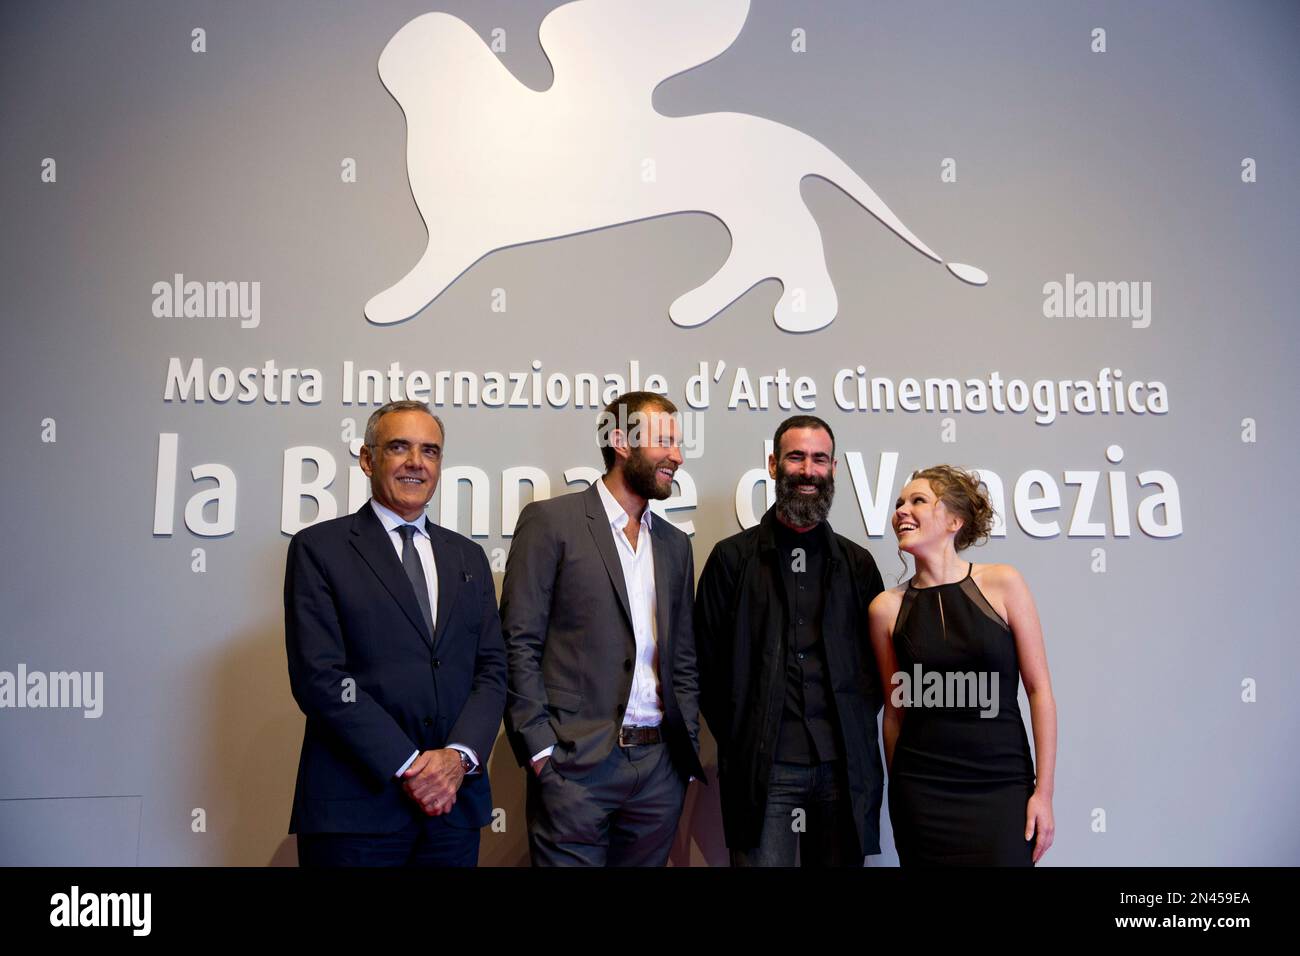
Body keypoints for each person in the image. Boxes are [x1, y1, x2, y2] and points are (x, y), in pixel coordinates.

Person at [284, 400, 506, 866]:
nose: (415, 463)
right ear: (368, 459)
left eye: (430, 451)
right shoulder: (319, 549)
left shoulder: (468, 558)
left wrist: (457, 759)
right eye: (399, 447)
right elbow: (321, 679)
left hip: (453, 808)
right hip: (357, 810)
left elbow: (492, 671)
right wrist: (409, 765)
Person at [501, 391, 704, 866]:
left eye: (679, 443)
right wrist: (540, 751)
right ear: (620, 441)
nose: (677, 455)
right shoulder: (551, 522)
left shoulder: (675, 545)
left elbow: (683, 659)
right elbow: (518, 641)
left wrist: (685, 748)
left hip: (658, 770)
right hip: (574, 768)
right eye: (664, 442)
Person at [695, 415, 886, 866]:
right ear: (773, 465)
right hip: (765, 772)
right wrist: (746, 730)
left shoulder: (858, 565)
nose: (807, 470)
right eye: (796, 457)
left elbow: (880, 670)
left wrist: (853, 719)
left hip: (842, 770)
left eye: (819, 459)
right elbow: (703, 665)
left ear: (834, 468)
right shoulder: (731, 560)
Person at [868, 465, 1057, 866]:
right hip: (922, 794)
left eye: (917, 501)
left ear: (955, 520)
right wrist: (898, 791)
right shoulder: (885, 609)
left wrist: (1044, 794)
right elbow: (894, 711)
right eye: (899, 503)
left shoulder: (1004, 583)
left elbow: (1039, 691)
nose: (901, 510)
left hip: (1002, 787)